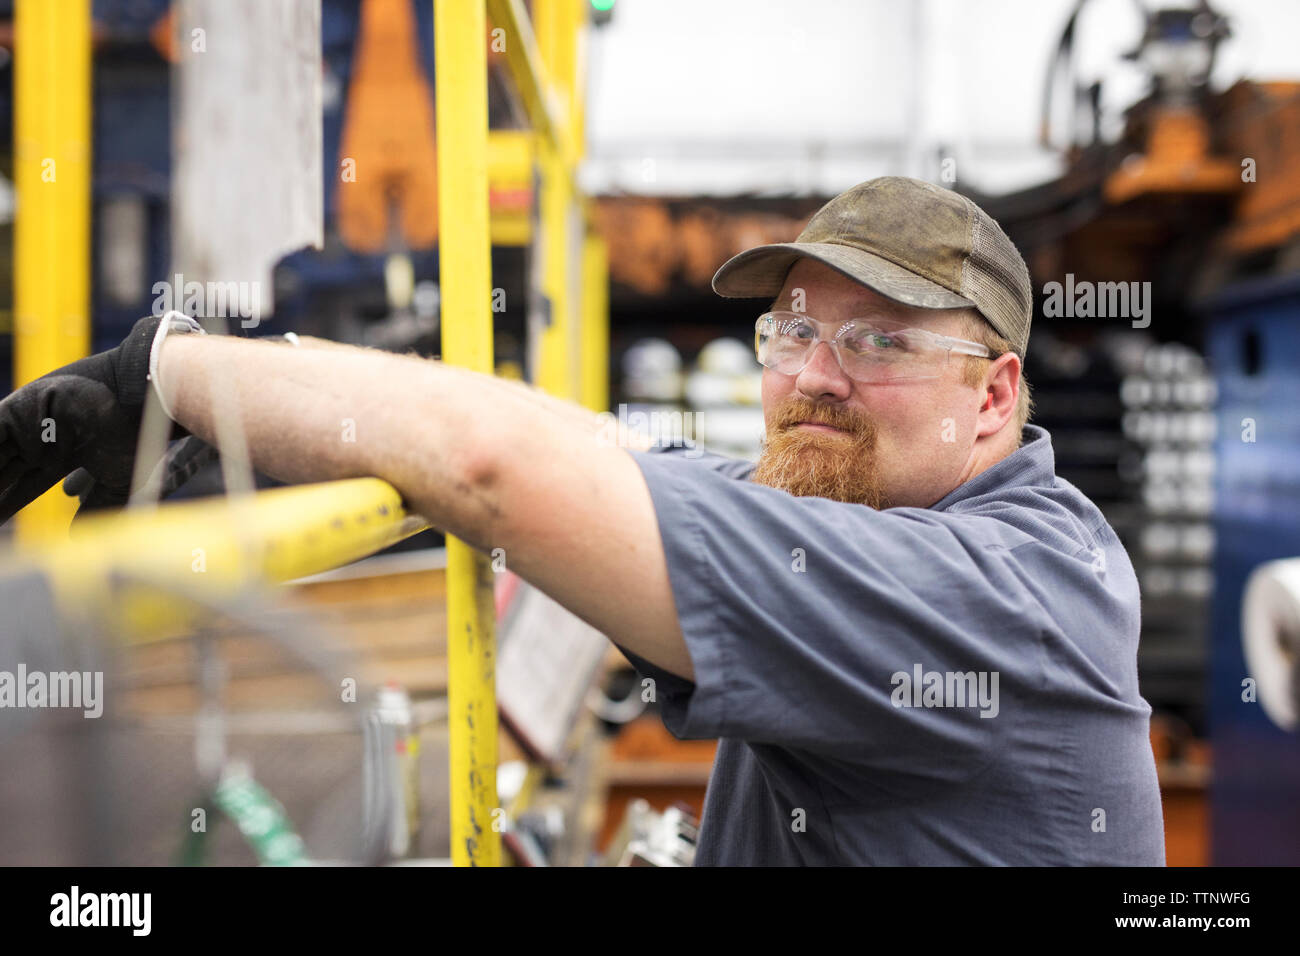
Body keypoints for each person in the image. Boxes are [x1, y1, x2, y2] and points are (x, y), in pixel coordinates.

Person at [0, 176, 1165, 865]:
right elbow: (617, 459)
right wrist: (294, 434)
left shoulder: (988, 597)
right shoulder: (933, 518)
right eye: (793, 332)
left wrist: (173, 369)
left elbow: (498, 464)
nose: (814, 374)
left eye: (881, 341)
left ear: (996, 393)